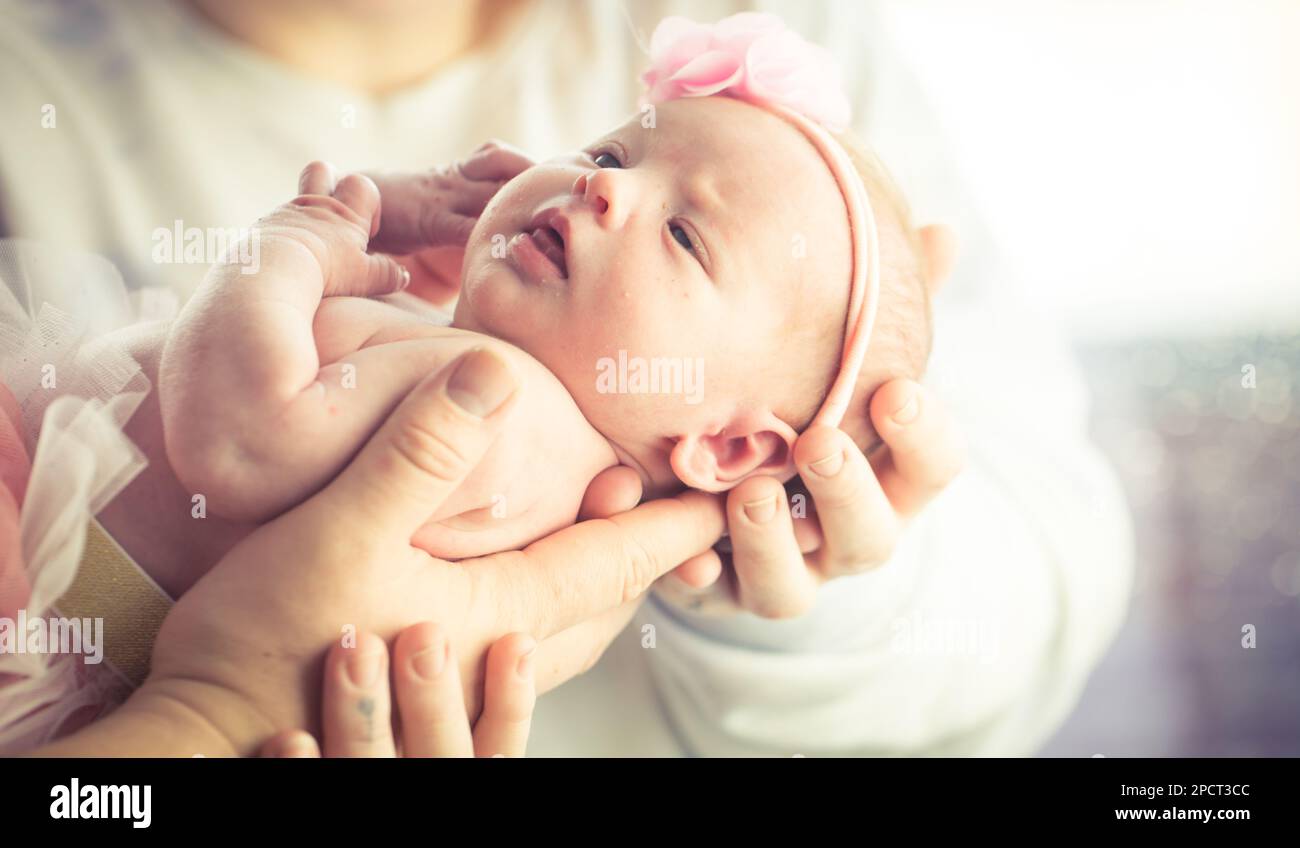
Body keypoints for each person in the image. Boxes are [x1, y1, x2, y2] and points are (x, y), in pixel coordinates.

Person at [1, 0, 1131, 756]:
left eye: (685, 239)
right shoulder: (507, 394)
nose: (600, 190)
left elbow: (235, 439)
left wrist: (295, 240)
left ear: (730, 451)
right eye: (607, 154)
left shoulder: (494, 406)